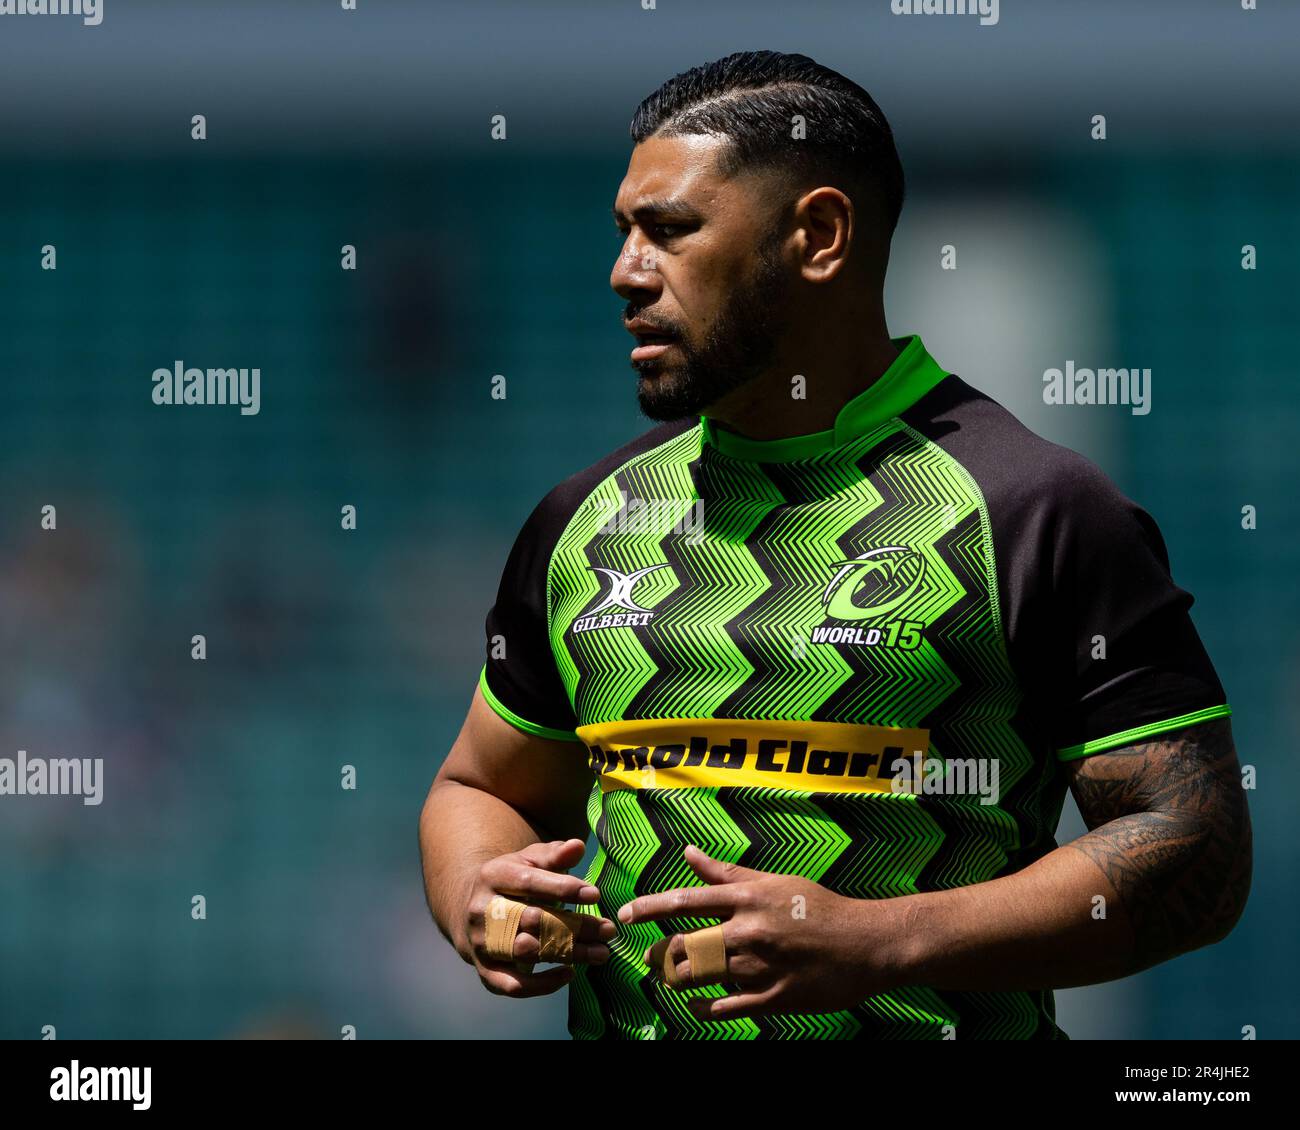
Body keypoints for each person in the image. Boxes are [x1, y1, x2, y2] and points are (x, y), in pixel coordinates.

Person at [420, 50, 1251, 1039]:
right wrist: (483, 890)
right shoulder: (582, 517)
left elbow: (1195, 849)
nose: (624, 271)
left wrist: (886, 938)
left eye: (669, 230)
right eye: (622, 232)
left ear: (817, 236)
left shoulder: (1033, 510)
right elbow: (478, 785)